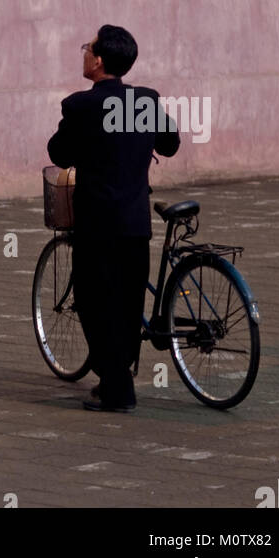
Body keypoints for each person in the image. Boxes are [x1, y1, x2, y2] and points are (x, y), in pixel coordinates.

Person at [47, 25, 180, 413]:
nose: (84, 52)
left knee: (94, 303)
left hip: (97, 224)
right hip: (136, 222)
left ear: (100, 60)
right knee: (126, 303)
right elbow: (170, 144)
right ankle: (116, 380)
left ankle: (118, 389)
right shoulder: (144, 102)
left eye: (88, 47)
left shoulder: (81, 106)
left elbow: (59, 153)